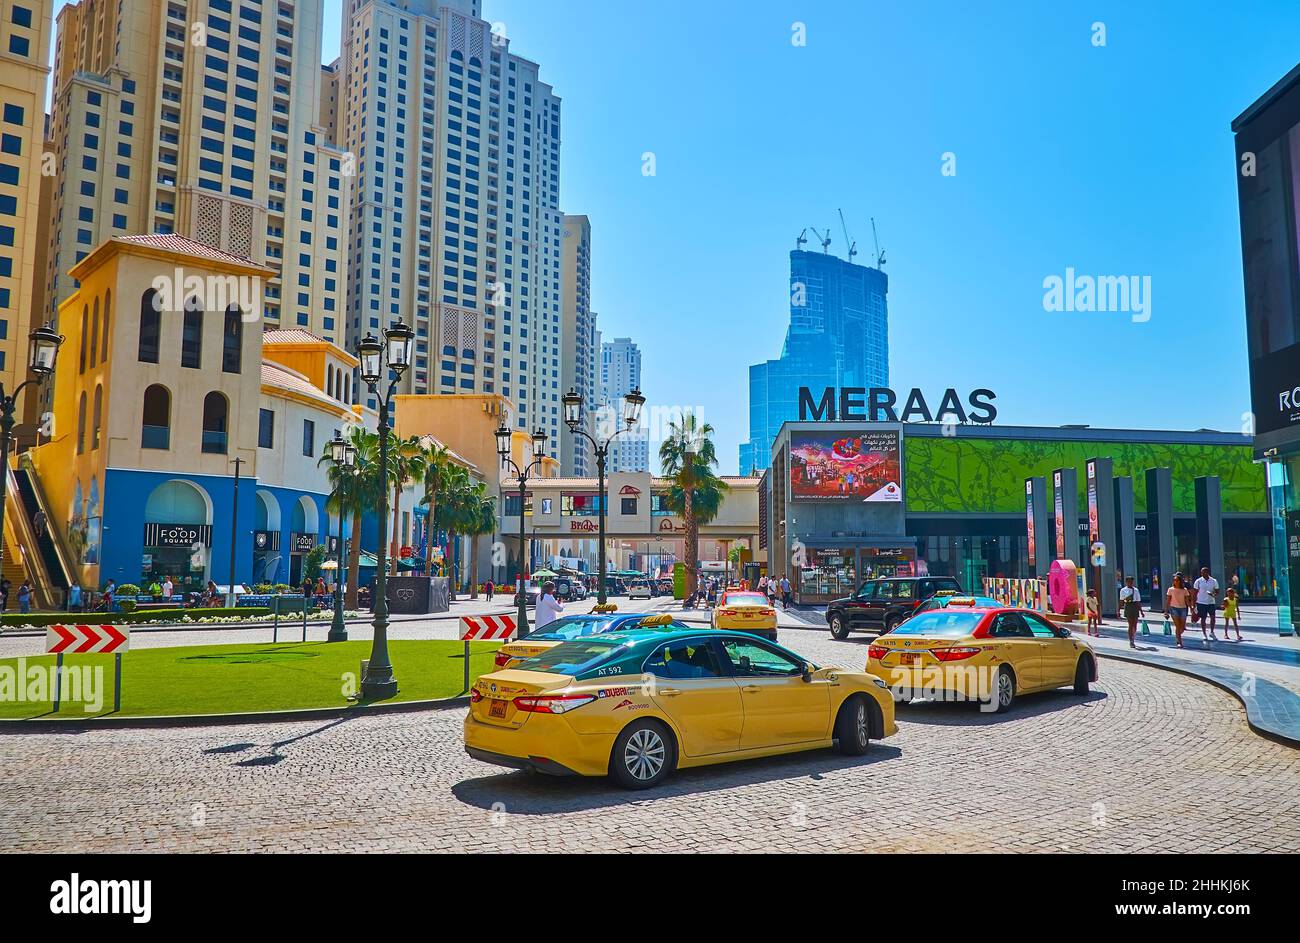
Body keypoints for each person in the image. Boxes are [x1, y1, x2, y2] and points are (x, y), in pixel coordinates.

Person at [1165, 572, 1193, 649]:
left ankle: (1178, 635)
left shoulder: (1184, 590)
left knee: (1182, 627)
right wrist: (1166, 611)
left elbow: (1187, 601)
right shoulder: (1170, 589)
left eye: (1177, 580)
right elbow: (1168, 600)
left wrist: (1191, 609)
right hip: (1174, 608)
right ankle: (1179, 642)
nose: (1176, 582)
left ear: (1180, 581)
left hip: (1183, 608)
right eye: (1174, 580)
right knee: (1178, 626)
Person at [1192, 566, 1219, 641]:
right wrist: (1193, 605)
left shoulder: (1214, 581)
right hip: (1201, 602)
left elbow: (1217, 592)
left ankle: (1212, 632)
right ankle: (1204, 634)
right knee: (1203, 618)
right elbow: (1194, 593)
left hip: (1211, 602)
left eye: (1204, 572)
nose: (1202, 574)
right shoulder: (1198, 581)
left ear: (1207, 572)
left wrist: (1213, 594)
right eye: (1201, 572)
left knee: (1213, 617)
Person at [1119, 575, 1142, 649]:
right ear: (1126, 582)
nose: (1130, 583)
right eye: (1128, 581)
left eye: (1131, 581)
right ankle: (1131, 640)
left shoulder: (1136, 590)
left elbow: (1138, 601)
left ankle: (1133, 637)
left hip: (1135, 606)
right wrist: (1118, 610)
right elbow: (1121, 600)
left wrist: (1141, 611)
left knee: (1135, 625)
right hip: (1128, 606)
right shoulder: (1123, 590)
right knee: (1130, 624)